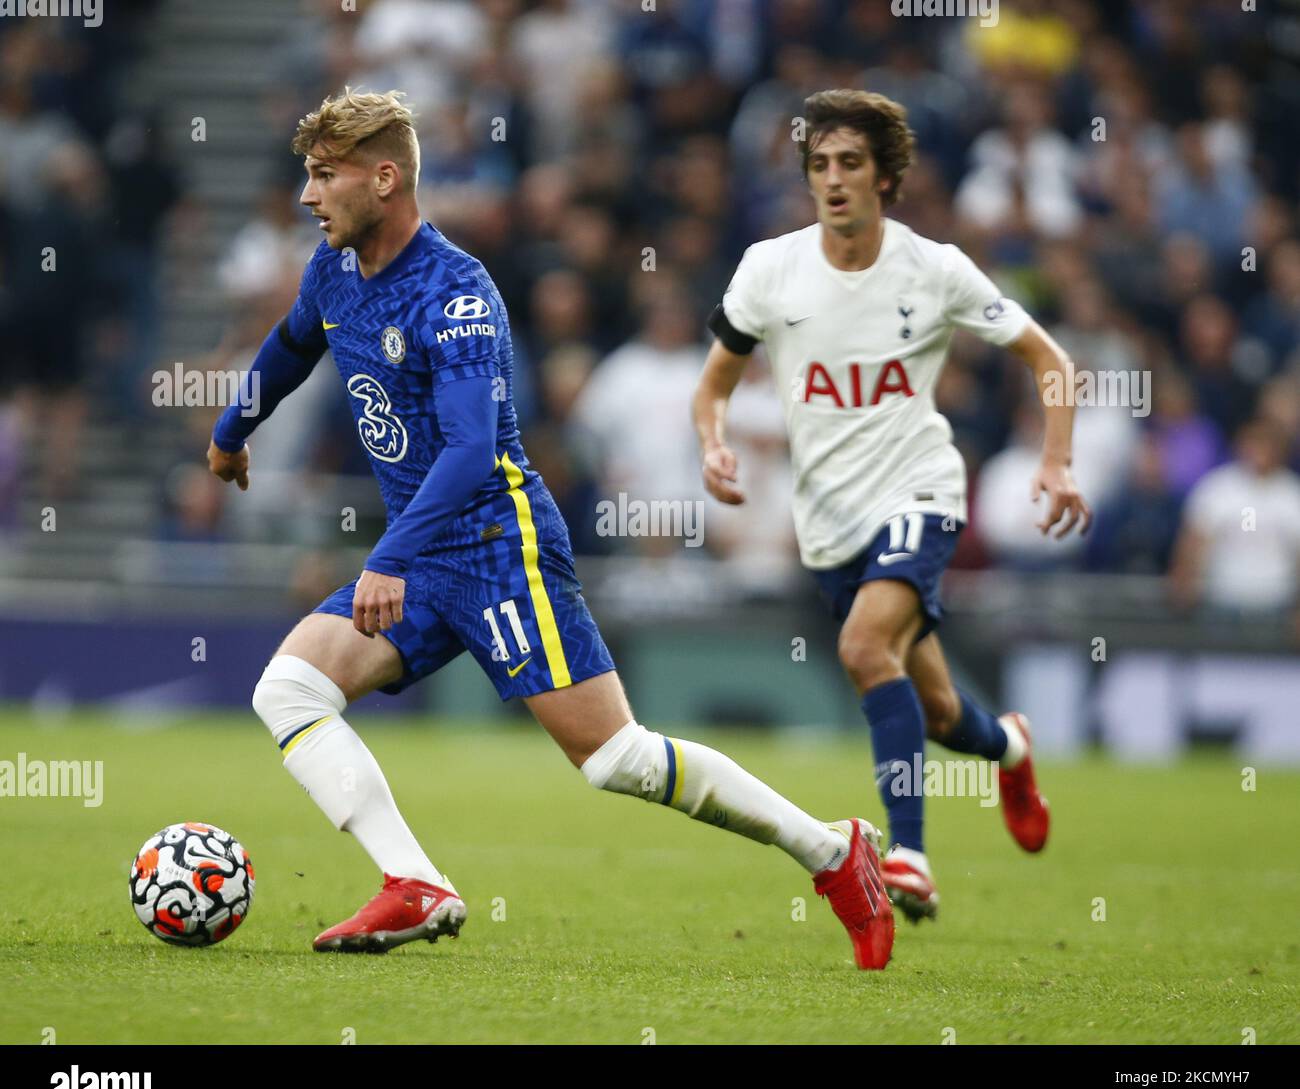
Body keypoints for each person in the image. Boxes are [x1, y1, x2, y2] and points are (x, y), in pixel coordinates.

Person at [206, 89, 895, 969]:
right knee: (289, 690)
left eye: (324, 175)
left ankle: (836, 854)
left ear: (384, 178)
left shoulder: (455, 293)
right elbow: (293, 342)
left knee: (617, 760)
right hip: (422, 556)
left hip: (497, 547)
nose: (308, 196)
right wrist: (232, 431)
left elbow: (467, 452)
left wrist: (384, 559)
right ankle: (413, 882)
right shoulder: (334, 270)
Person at [692, 89, 1092, 922]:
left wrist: (1056, 462)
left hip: (921, 489)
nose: (832, 180)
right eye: (819, 166)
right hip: (829, 523)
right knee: (940, 711)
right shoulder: (770, 269)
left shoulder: (933, 268)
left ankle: (907, 854)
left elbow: (1049, 358)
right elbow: (714, 386)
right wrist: (714, 443)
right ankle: (1011, 747)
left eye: (850, 164)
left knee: (864, 646)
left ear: (886, 177)